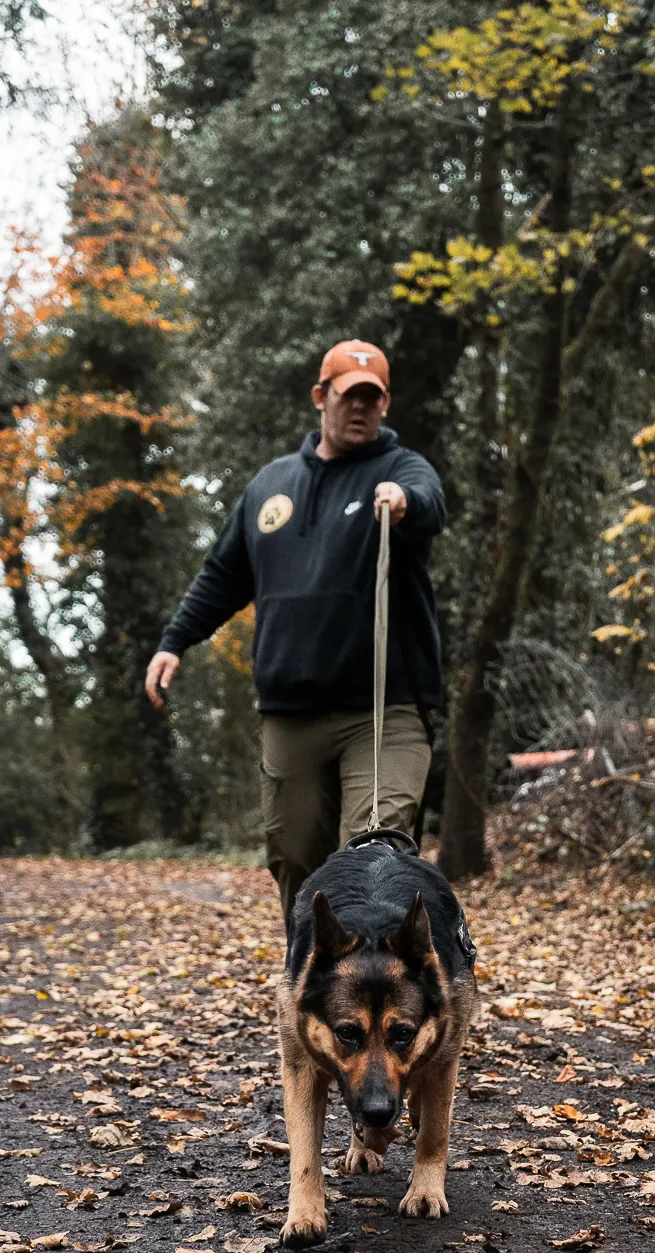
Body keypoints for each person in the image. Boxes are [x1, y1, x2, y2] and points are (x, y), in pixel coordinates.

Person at [145, 339, 446, 921]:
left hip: (383, 711)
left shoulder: (400, 469)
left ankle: (370, 1004)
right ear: (320, 397)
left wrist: (405, 501)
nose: (360, 410)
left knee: (375, 859)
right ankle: (310, 990)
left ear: (385, 405)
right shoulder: (269, 487)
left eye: (372, 400)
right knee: (297, 864)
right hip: (291, 712)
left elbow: (431, 501)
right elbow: (224, 575)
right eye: (347, 397)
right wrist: (173, 641)